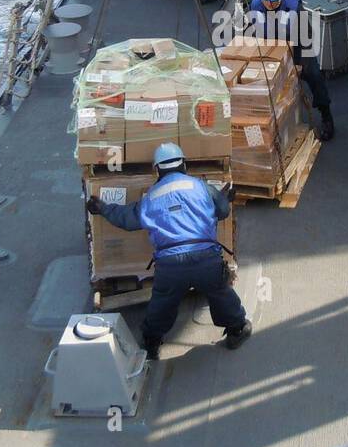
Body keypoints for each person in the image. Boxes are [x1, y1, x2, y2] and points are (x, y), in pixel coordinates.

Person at [85, 142, 251, 360]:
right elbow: (221, 211)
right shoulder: (201, 187)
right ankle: (237, 329)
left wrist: (102, 208)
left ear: (157, 169)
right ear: (184, 164)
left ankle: (151, 342)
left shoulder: (151, 197)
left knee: (162, 302)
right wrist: (224, 198)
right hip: (206, 260)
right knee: (221, 293)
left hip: (170, 265)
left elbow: (127, 219)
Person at [248, 0, 336, 142]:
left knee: (314, 76)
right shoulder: (255, 5)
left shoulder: (294, 5)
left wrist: (297, 63)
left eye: (273, 1)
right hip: (272, 46)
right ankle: (274, 121)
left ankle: (326, 116)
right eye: (266, 1)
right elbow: (257, 30)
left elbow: (299, 33)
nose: (270, 5)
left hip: (299, 45)